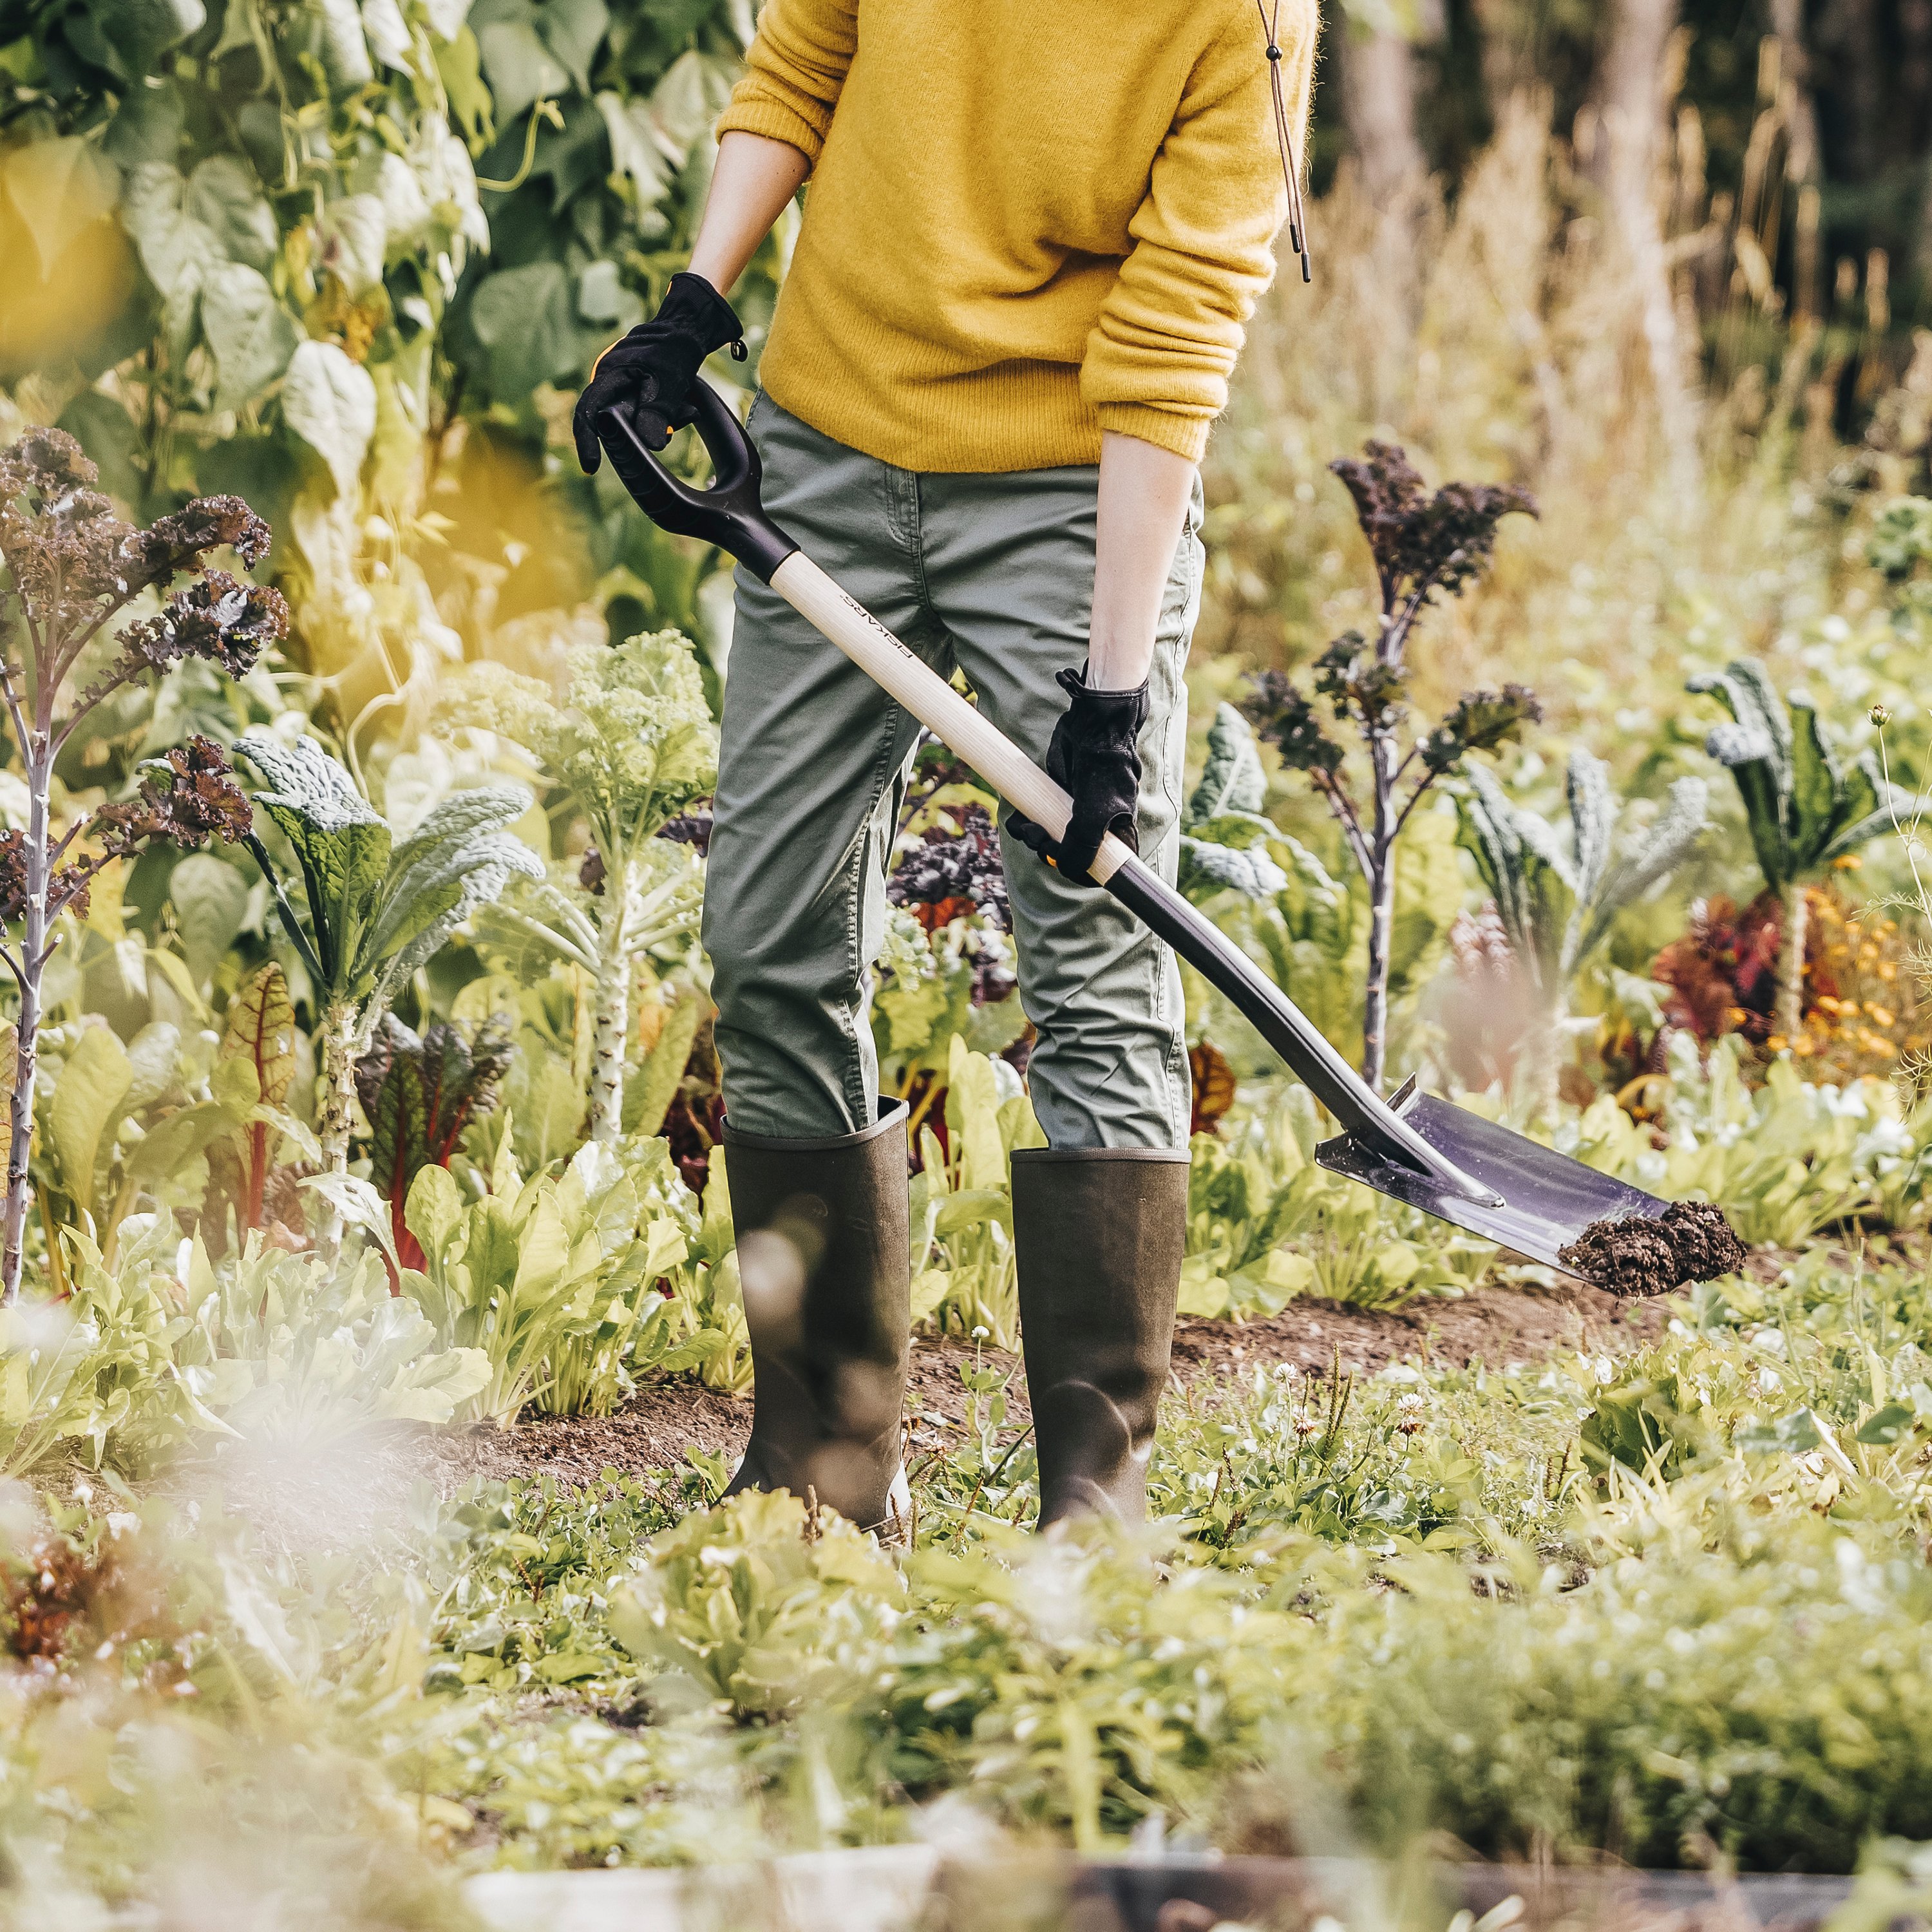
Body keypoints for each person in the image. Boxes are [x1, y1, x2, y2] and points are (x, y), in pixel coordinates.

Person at [576, 0, 1319, 1533]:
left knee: (1096, 969)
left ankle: (1093, 1513)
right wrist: (693, 302)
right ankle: (825, 1469)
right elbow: (805, 60)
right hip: (828, 445)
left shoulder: (1244, 17)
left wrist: (1111, 692)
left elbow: (1177, 332)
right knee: (770, 942)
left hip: (1067, 499)